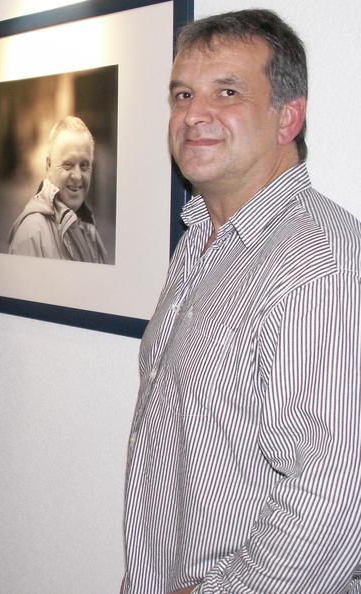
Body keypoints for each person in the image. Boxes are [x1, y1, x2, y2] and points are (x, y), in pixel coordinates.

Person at [123, 9, 361, 593]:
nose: (192, 115)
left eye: (227, 92)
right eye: (182, 94)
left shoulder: (319, 261)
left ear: (289, 117)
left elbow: (334, 499)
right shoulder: (198, 243)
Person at [8, 116, 107, 262]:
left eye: (84, 165)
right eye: (68, 164)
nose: (77, 176)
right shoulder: (31, 234)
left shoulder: (88, 227)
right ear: (48, 165)